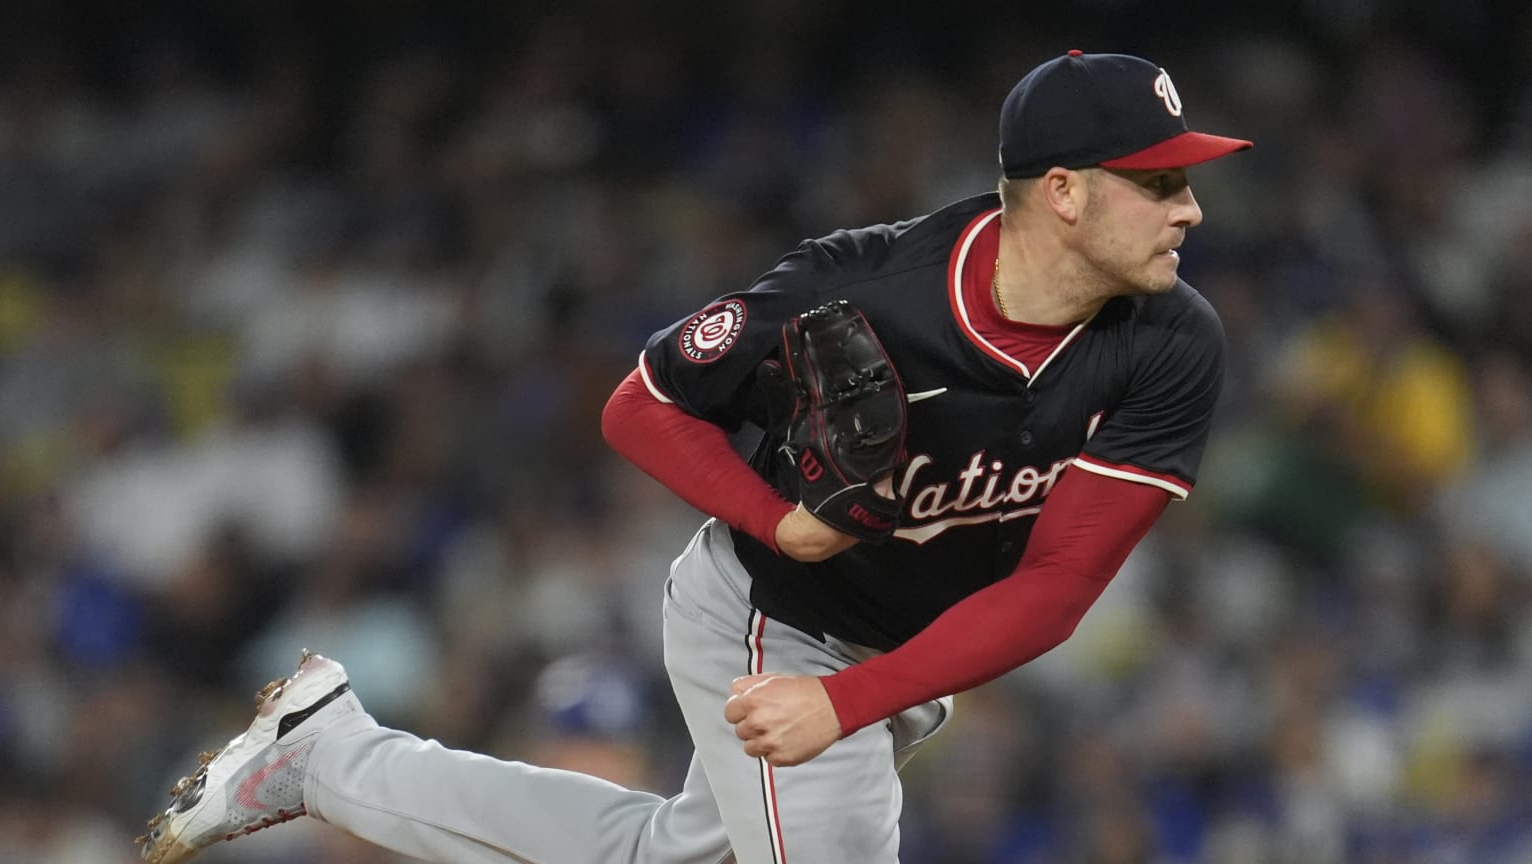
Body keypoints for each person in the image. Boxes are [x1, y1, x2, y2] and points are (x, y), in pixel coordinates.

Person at [139, 49, 1252, 864]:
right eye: (1159, 182)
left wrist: (855, 701)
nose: (1190, 208)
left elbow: (1056, 588)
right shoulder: (865, 288)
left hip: (887, 659)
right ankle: (325, 759)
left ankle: (325, 758)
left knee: (659, 858)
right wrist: (784, 524)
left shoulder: (1169, 341)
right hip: (774, 619)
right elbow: (641, 407)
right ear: (1062, 191)